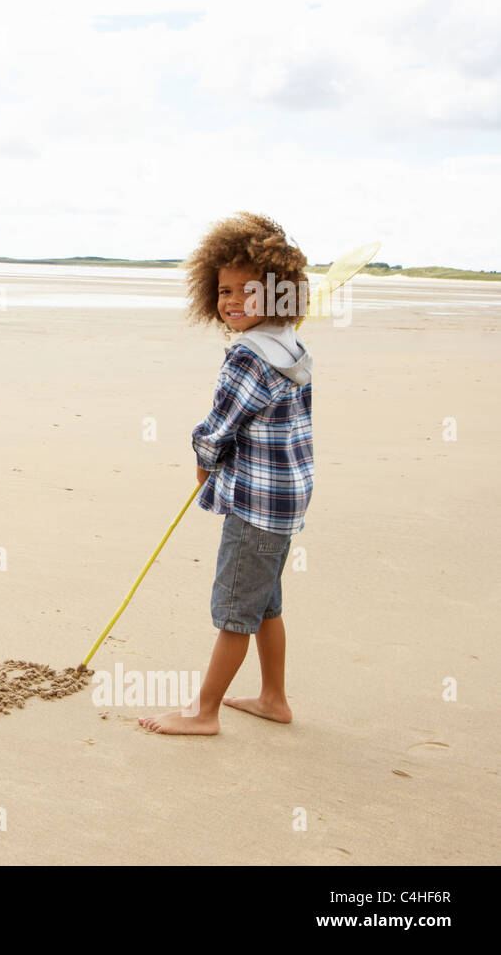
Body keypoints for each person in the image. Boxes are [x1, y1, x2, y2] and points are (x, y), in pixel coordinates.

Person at [140, 212, 313, 735]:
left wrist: (204, 460)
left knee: (236, 607)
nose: (232, 301)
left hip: (256, 504)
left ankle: (203, 713)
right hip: (286, 496)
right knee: (264, 605)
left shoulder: (248, 356)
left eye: (248, 291)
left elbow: (219, 426)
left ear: (278, 294)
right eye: (224, 291)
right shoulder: (290, 346)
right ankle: (273, 699)